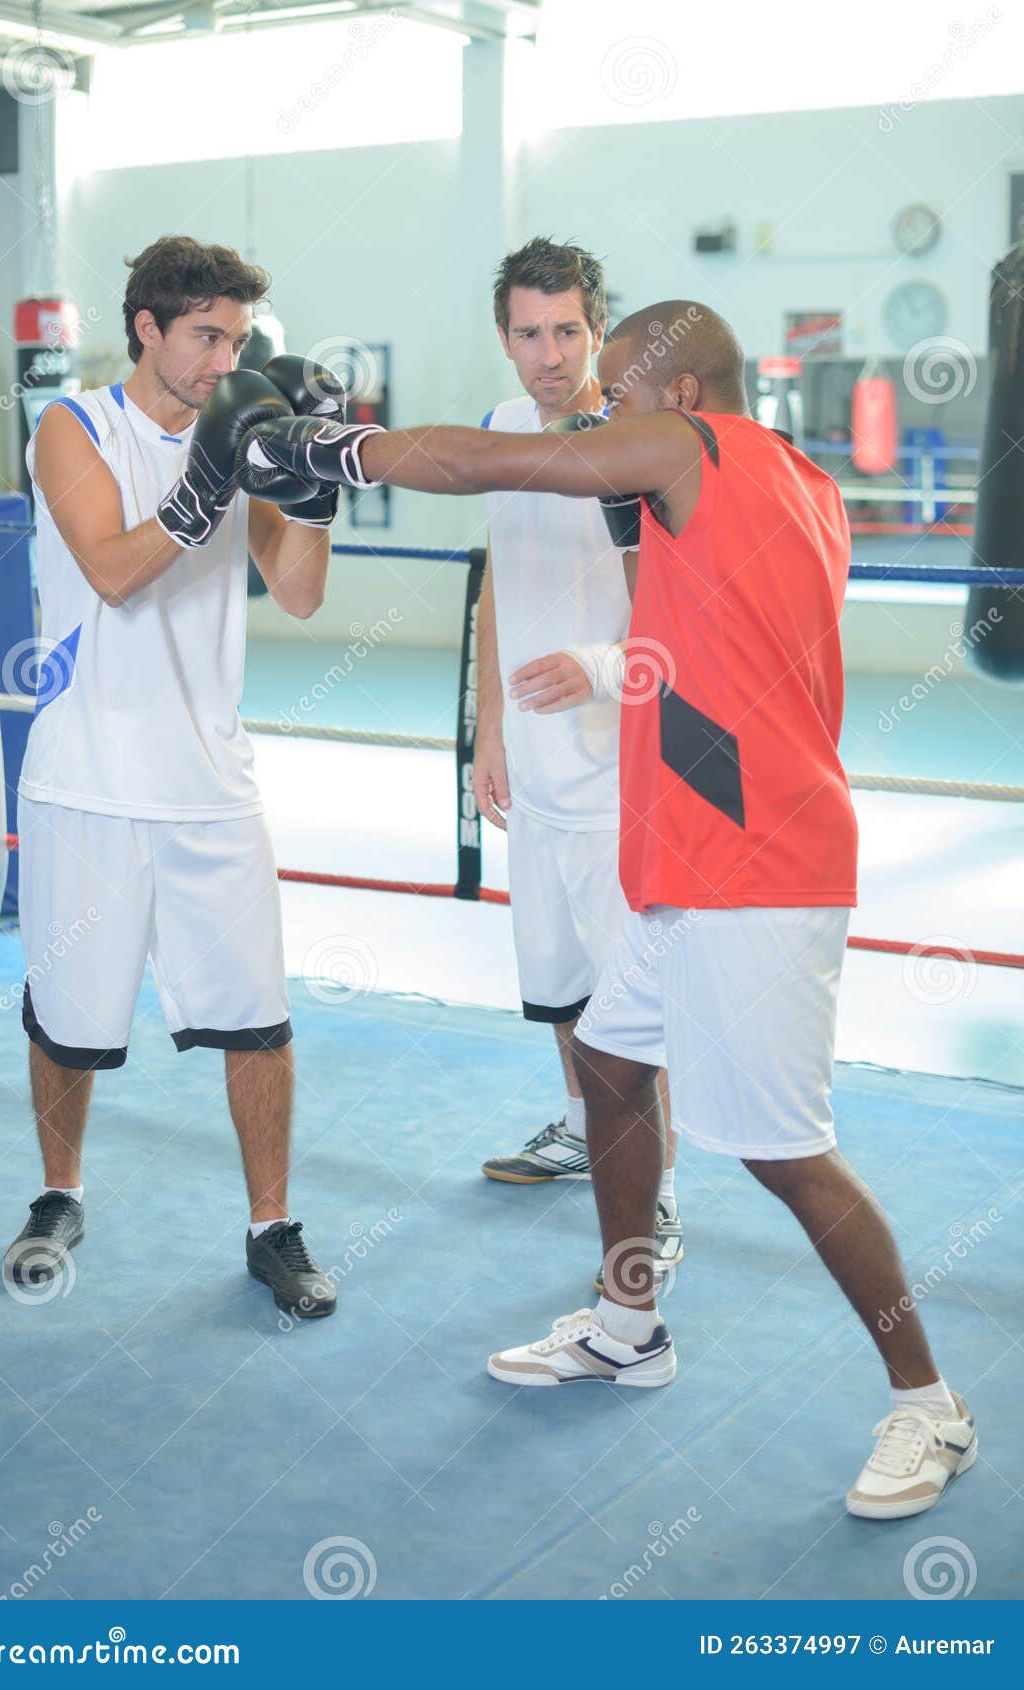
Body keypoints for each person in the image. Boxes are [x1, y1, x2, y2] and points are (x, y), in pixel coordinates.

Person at [237, 298, 976, 1516]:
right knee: (614, 1068)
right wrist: (600, 665)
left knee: (786, 1152)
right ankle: (629, 1322)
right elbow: (700, 653)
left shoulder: (688, 450)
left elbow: (484, 463)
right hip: (695, 854)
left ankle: (928, 1405)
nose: (601, 413)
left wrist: (331, 451)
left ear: (678, 398)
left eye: (617, 396)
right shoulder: (803, 483)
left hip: (755, 868)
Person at [5, 235, 339, 1321]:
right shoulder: (72, 427)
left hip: (209, 784)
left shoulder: (239, 431)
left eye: (237, 339)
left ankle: (270, 1226)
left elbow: (297, 595)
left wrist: (317, 487)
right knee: (68, 1018)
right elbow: (108, 568)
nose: (221, 359)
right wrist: (208, 487)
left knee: (260, 1021)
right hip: (86, 781)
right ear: (146, 327)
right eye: (205, 334)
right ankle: (59, 1192)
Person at [474, 237, 681, 1285]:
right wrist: (489, 726)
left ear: (599, 329)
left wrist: (602, 669)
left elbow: (682, 609)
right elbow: (498, 580)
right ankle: (574, 1128)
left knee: (626, 996)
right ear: (504, 336)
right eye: (528, 332)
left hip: (616, 770)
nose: (548, 355)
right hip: (536, 763)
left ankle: (659, 1189)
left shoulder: (642, 439)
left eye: (567, 330)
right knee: (557, 988)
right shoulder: (501, 430)